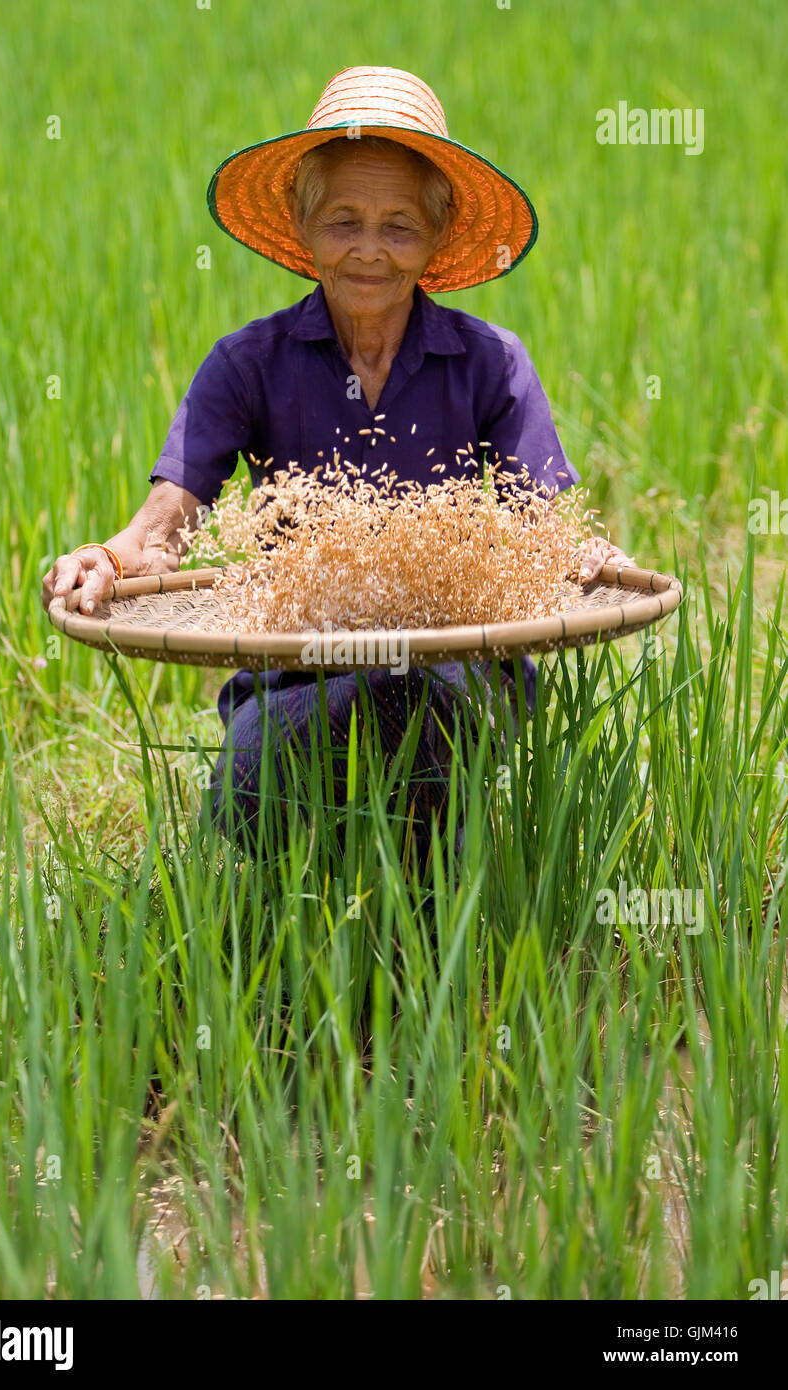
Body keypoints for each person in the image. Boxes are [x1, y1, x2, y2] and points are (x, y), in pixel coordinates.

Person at [42, 65, 629, 867]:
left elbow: (545, 531)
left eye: (399, 226)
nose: (369, 252)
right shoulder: (247, 365)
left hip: (459, 679)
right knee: (261, 792)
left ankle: (429, 949)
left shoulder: (491, 364)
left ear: (437, 235)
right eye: (344, 220)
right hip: (294, 681)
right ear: (303, 223)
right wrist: (106, 558)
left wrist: (587, 556)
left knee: (411, 710)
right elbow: (164, 527)